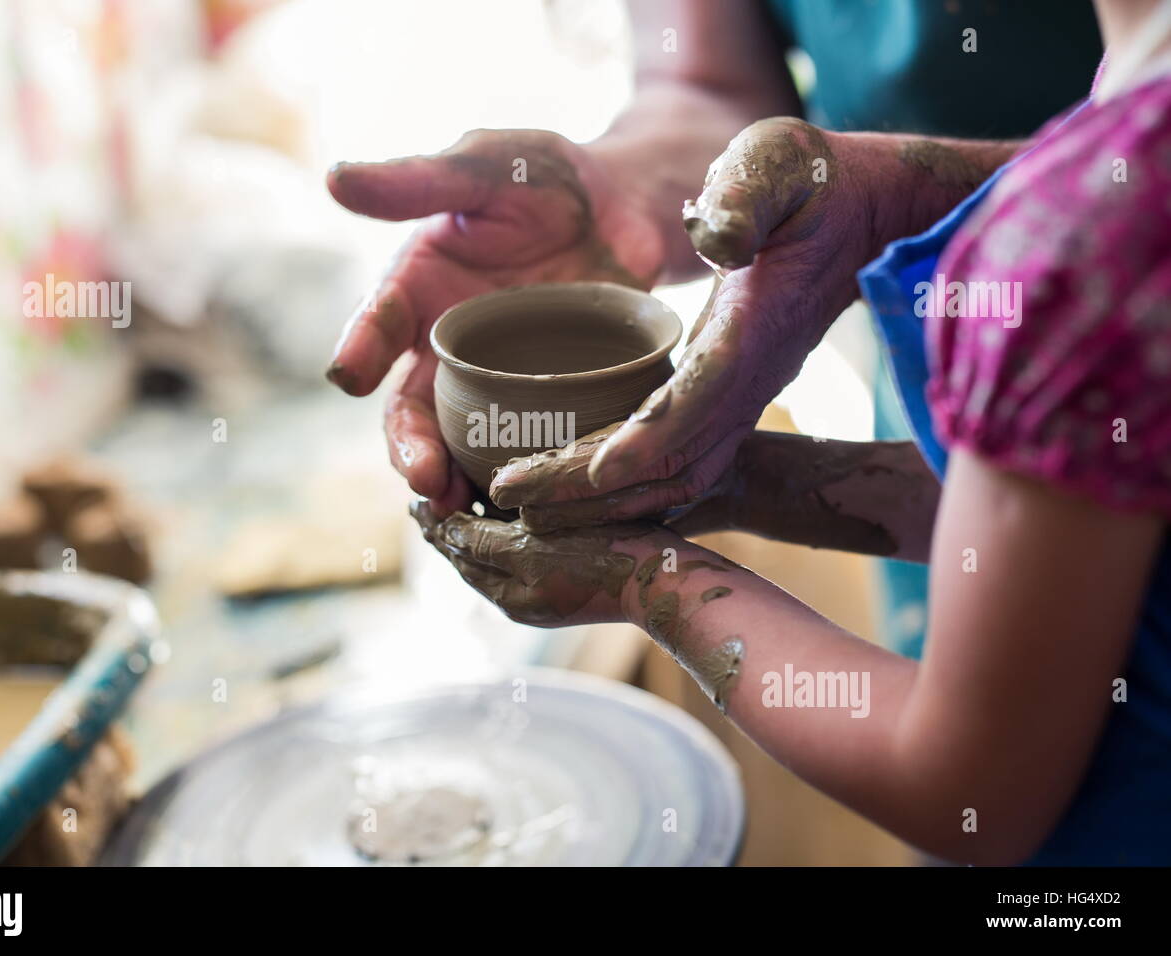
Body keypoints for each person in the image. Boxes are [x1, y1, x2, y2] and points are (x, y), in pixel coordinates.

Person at [414, 0, 1171, 865]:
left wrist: (645, 580)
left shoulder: (1077, 242)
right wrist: (746, 481)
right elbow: (1087, 530)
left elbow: (970, 786)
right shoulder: (1124, 129)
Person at [325, 0, 1101, 658]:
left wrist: (895, 201)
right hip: (939, 437)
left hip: (1114, 371)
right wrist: (620, 190)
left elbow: (961, 777)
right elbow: (706, 82)